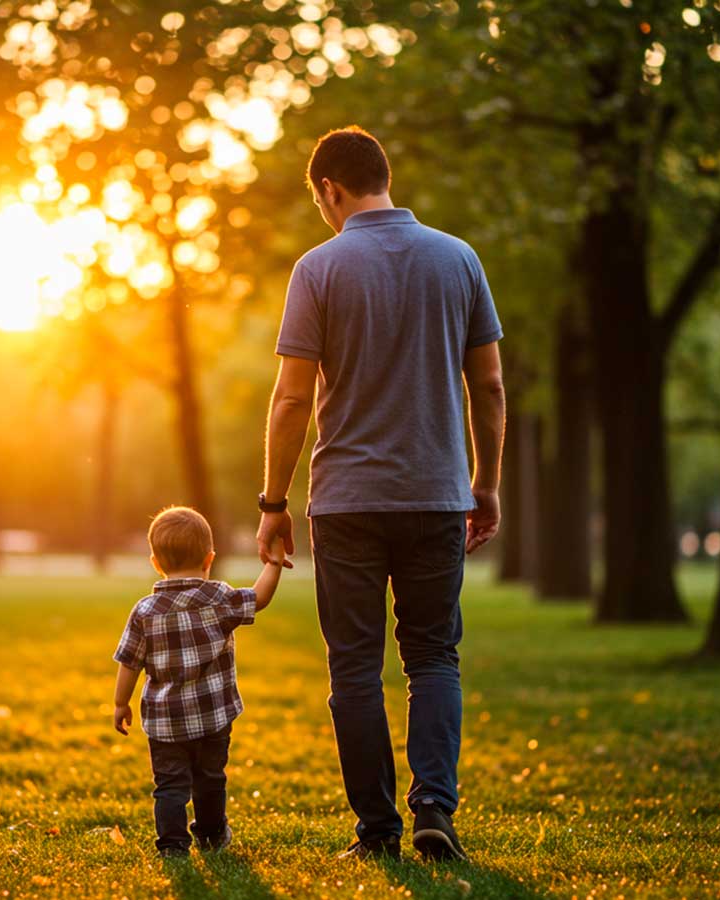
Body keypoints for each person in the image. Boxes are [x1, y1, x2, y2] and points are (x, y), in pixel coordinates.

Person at [255, 126, 506, 861]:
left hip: (347, 503)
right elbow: (490, 386)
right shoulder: (459, 259)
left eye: (320, 202)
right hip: (437, 495)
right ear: (383, 177)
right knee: (433, 657)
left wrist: (273, 503)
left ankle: (377, 831)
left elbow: (290, 400)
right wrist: (485, 484)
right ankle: (434, 809)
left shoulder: (317, 268)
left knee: (355, 668)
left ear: (331, 189)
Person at [112, 505, 285, 857]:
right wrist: (275, 563)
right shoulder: (218, 598)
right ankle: (210, 834)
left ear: (156, 563)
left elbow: (129, 663)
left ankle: (172, 845)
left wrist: (120, 703)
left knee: (169, 785)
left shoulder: (145, 611)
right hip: (212, 718)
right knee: (210, 779)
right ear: (209, 559)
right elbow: (260, 598)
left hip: (166, 723)